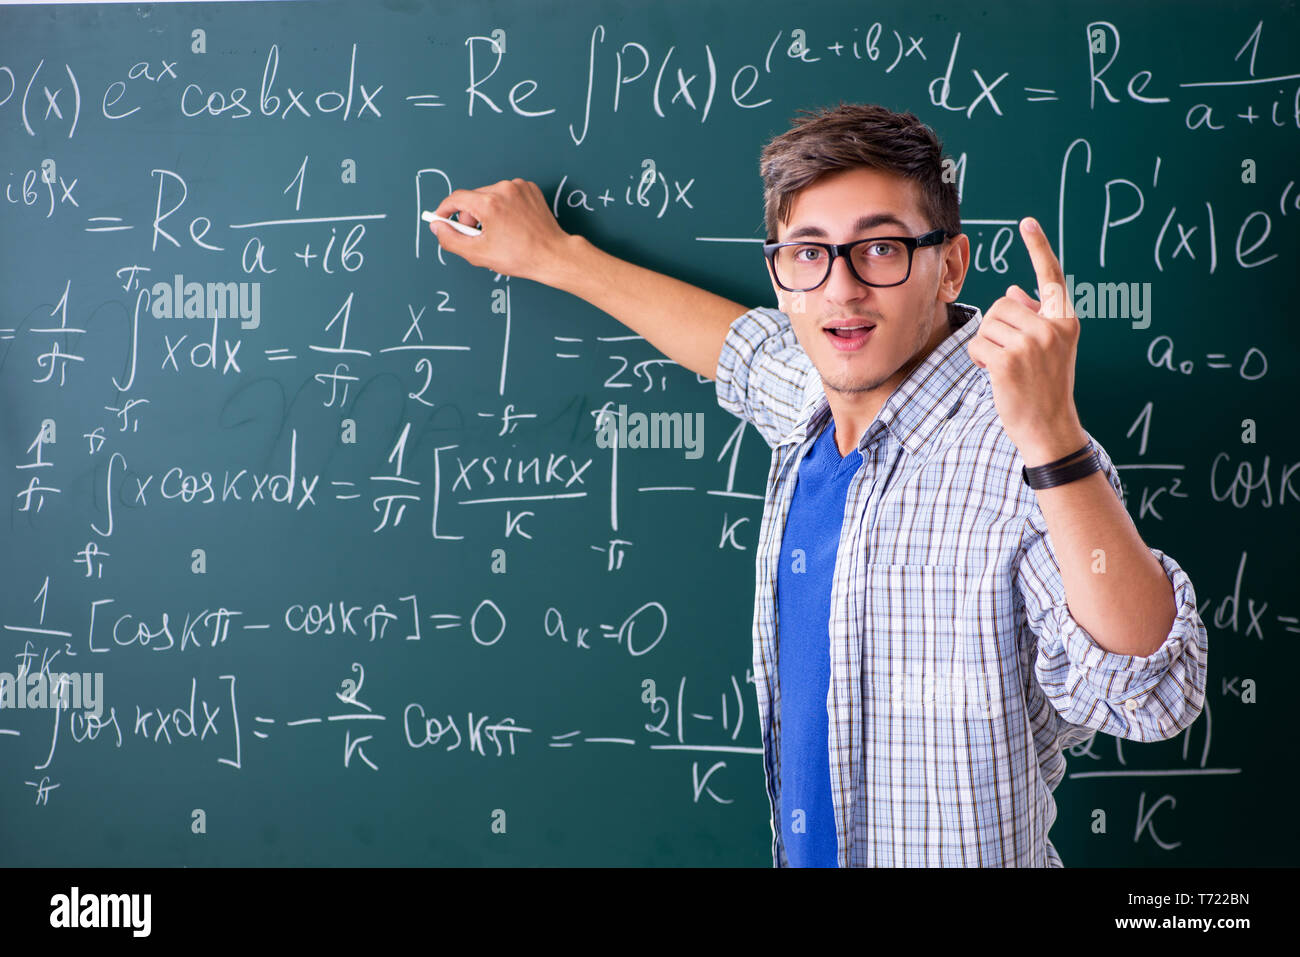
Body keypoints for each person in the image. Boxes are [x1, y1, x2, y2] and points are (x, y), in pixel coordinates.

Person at [426, 102, 1208, 867]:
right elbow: (733, 347)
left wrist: (1054, 440)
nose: (841, 289)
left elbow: (1154, 695)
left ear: (949, 266)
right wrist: (553, 254)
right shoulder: (812, 392)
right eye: (808, 253)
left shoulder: (1021, 456)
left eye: (881, 249)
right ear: (779, 273)